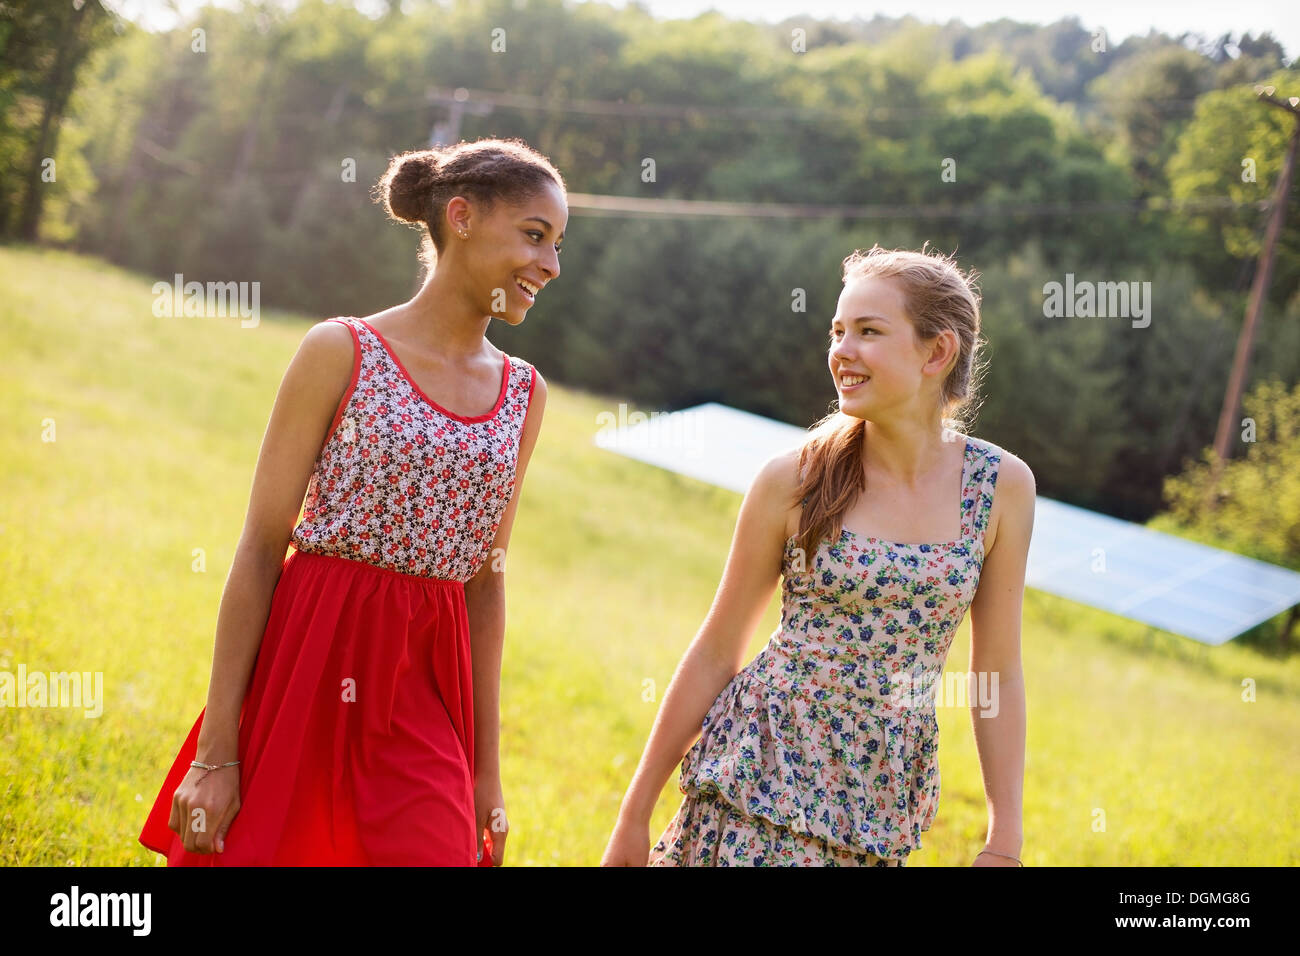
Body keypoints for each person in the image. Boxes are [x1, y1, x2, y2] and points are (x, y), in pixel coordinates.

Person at [137, 137, 566, 866]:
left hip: (423, 685)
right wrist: (216, 753)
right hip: (309, 655)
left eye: (557, 246)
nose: (550, 266)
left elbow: (486, 580)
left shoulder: (524, 394)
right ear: (460, 216)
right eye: (534, 236)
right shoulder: (340, 350)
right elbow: (261, 545)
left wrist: (484, 772)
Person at [602, 243, 1034, 867]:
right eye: (837, 331)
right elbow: (718, 649)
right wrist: (634, 816)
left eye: (868, 331)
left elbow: (999, 673)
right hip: (756, 779)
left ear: (936, 353)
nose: (841, 351)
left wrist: (1005, 840)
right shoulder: (793, 480)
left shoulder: (1001, 488)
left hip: (876, 806)